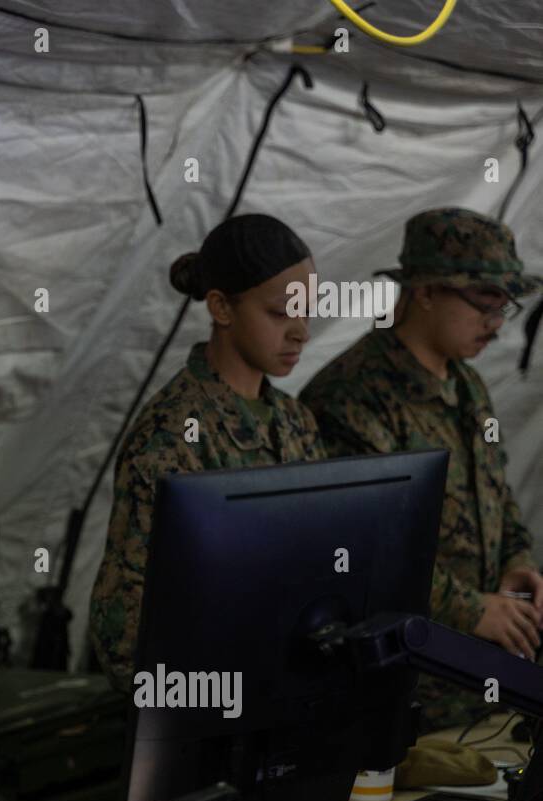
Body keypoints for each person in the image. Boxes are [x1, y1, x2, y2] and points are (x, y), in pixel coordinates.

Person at [300, 207, 543, 732]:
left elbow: (497, 493)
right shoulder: (352, 397)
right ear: (425, 291)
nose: (497, 325)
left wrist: (518, 562)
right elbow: (356, 551)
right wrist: (472, 610)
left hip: (487, 686)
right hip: (408, 701)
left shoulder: (467, 386)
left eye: (506, 305)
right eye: (484, 302)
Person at [88, 214, 325, 686]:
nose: (300, 332)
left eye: (306, 311)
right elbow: (122, 632)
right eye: (280, 313)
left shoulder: (297, 423)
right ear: (221, 307)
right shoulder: (171, 437)